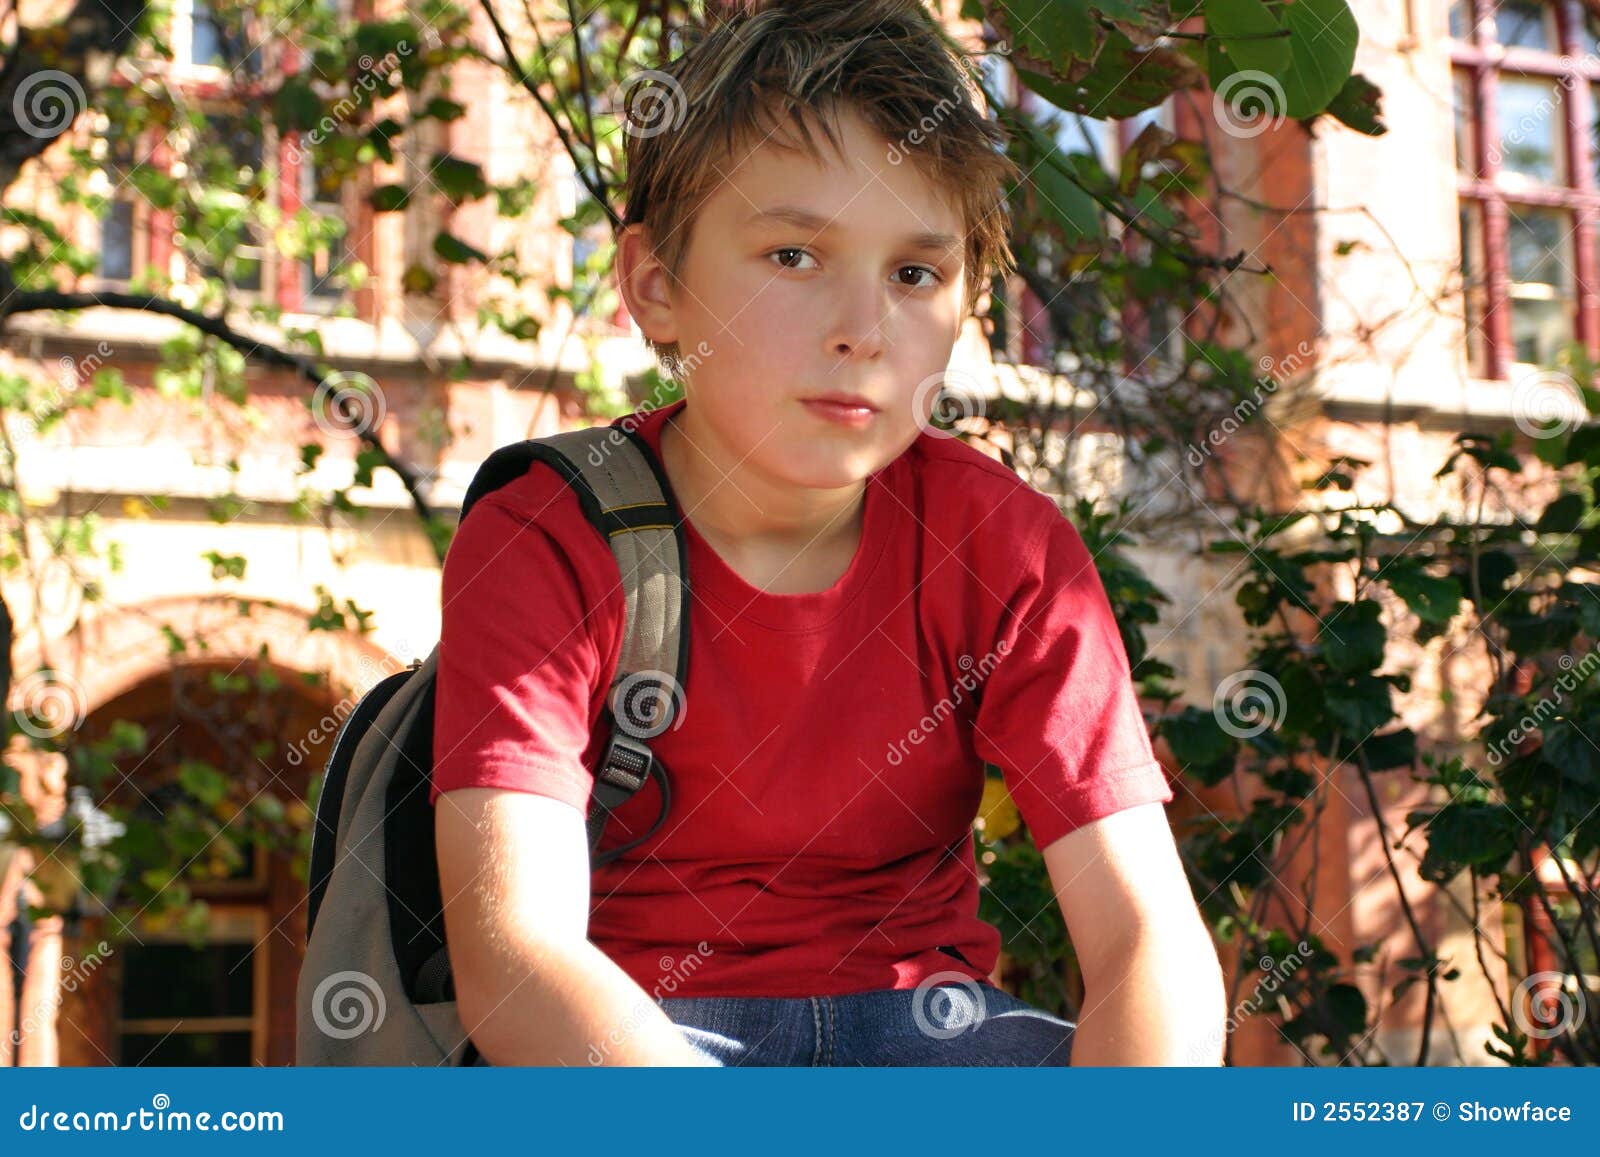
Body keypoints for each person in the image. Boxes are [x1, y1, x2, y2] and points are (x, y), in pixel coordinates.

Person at [431, 0, 1225, 1067]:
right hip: (634, 1041)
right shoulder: (548, 532)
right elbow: (515, 958)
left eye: (914, 273)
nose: (862, 329)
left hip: (935, 1041)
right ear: (656, 285)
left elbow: (1147, 941)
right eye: (794, 254)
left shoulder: (1006, 547)